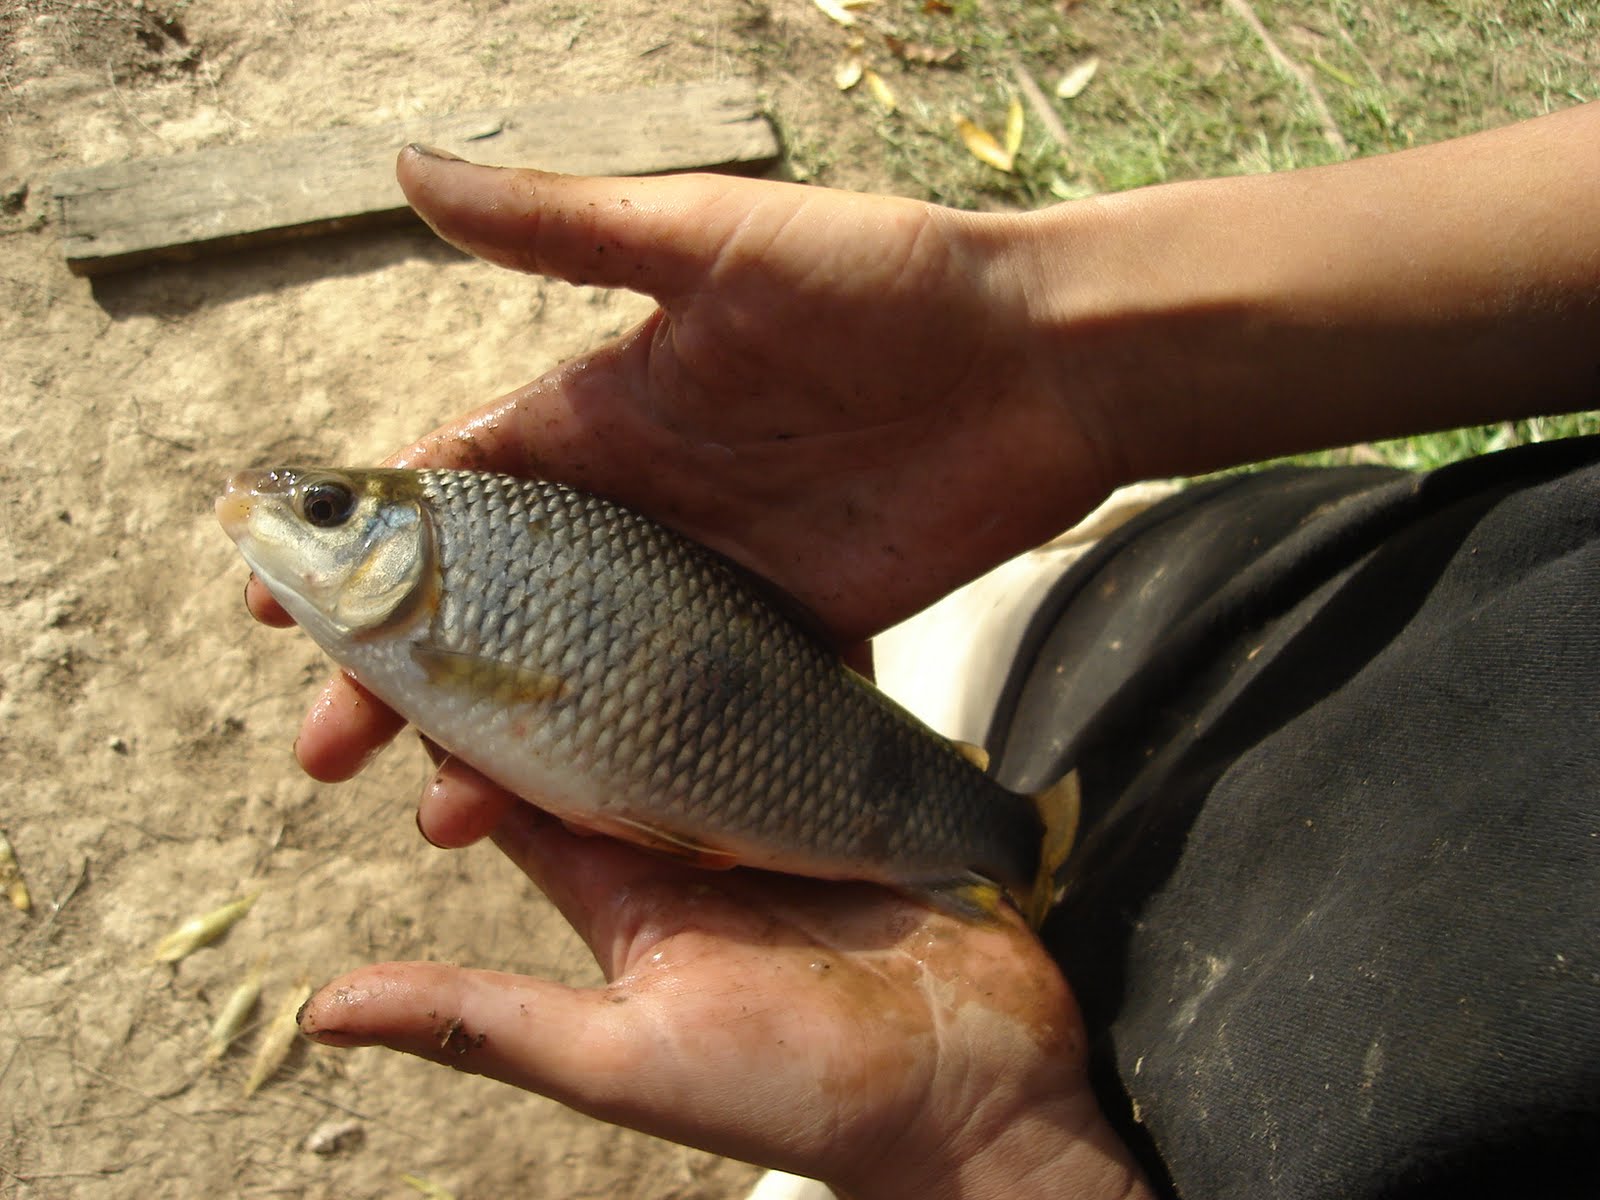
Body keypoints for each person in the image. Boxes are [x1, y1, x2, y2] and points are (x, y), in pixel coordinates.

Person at [246, 101, 1600, 1198]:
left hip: (1081, 1048)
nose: (289, 516)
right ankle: (1018, 825)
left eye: (325, 511)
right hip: (1251, 609)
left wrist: (1006, 1165)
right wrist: (1042, 336)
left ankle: (1012, 830)